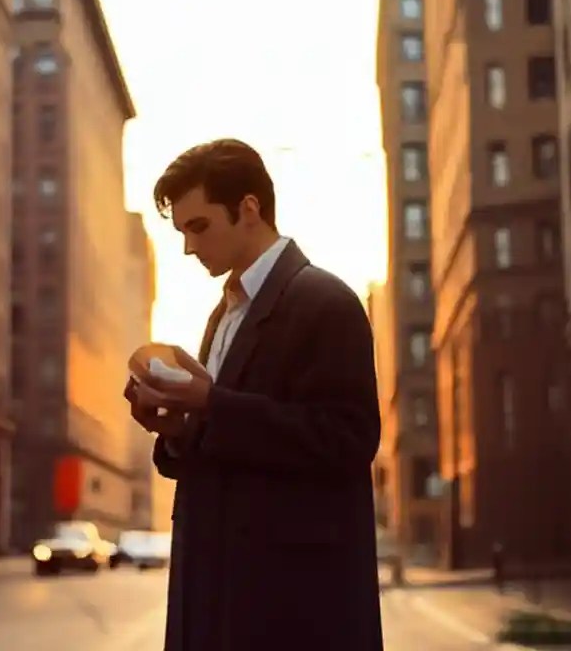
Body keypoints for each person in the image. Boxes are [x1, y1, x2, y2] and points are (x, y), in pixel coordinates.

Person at [126, 139, 383, 650]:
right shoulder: (222, 316)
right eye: (180, 232)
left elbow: (348, 440)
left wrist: (209, 403)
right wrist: (177, 429)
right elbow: (231, 440)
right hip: (214, 600)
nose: (189, 247)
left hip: (291, 609)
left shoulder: (325, 301)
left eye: (199, 226)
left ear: (249, 208)